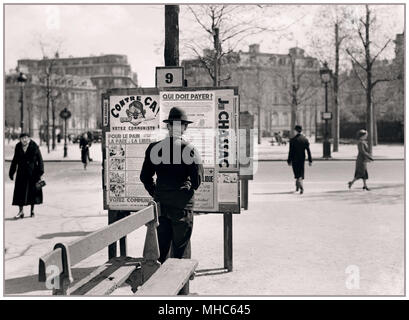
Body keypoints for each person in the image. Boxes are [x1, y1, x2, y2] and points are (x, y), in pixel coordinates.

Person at [140, 107, 204, 269]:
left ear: (168, 126)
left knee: (161, 249)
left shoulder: (154, 148)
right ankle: (181, 290)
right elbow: (197, 180)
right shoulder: (189, 149)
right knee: (181, 249)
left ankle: (159, 287)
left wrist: (156, 192)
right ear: (184, 127)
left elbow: (145, 177)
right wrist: (187, 186)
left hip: (161, 204)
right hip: (182, 206)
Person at [9, 133, 44, 219]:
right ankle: (21, 211)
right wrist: (12, 172)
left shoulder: (34, 146)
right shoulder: (18, 147)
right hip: (21, 173)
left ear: (29, 138)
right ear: (20, 139)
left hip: (32, 173)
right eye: (22, 138)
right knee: (20, 192)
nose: (24, 140)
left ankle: (32, 211)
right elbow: (15, 160)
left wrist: (40, 171)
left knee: (32, 192)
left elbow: (40, 160)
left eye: (26, 138)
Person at [287, 125, 312, 194]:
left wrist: (289, 160)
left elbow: (290, 152)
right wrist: (310, 160)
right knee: (300, 173)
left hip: (294, 159)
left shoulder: (292, 140)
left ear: (295, 131)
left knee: (297, 174)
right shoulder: (305, 140)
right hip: (302, 159)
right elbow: (308, 151)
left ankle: (300, 187)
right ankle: (298, 185)